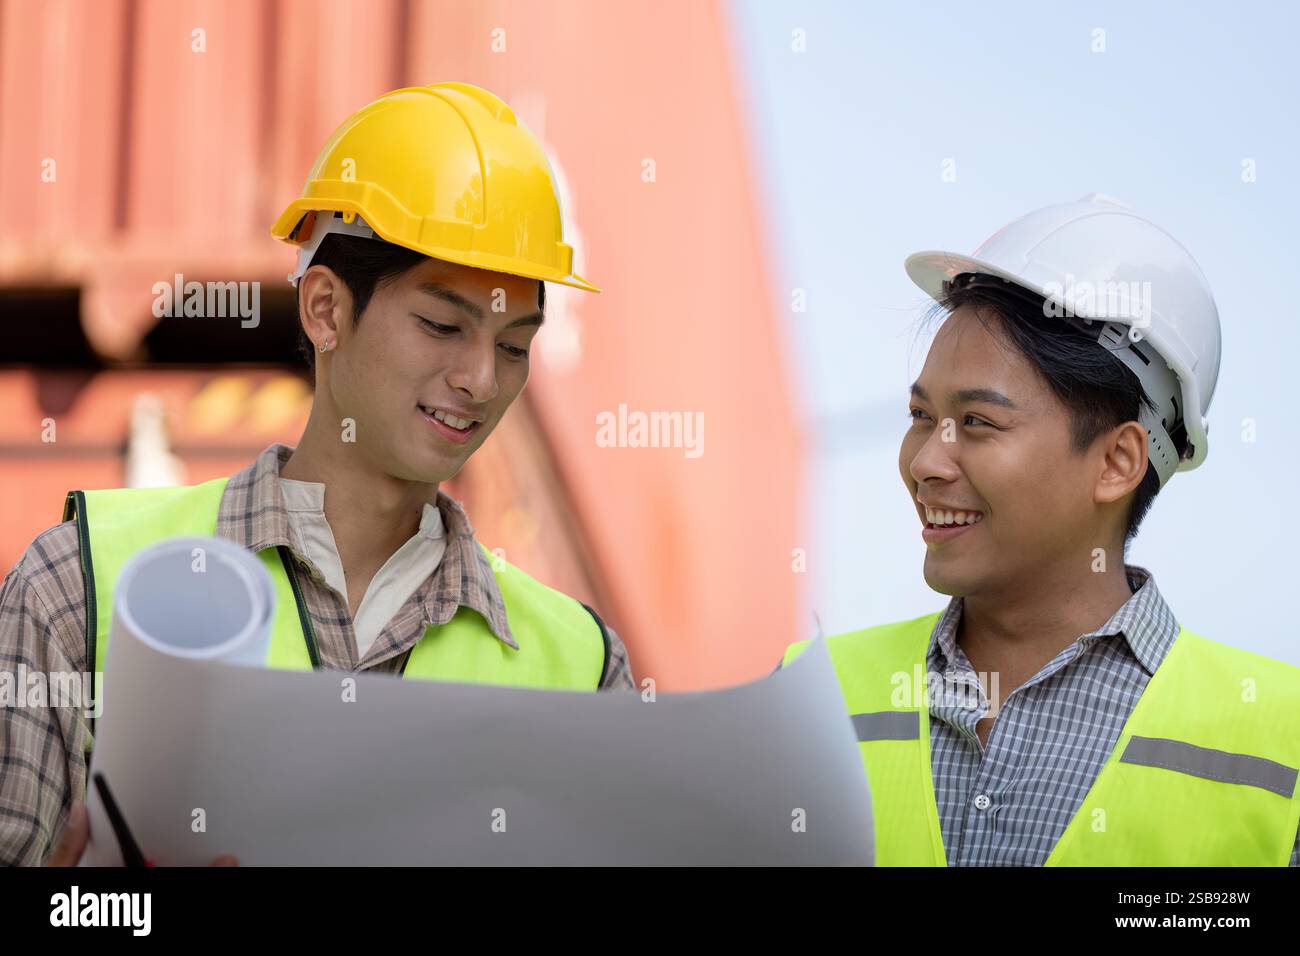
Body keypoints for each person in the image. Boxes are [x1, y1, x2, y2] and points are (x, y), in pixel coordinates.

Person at [0, 82, 632, 867]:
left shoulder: (584, 668)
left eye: (513, 345)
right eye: (443, 325)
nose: (481, 379)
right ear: (327, 310)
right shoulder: (78, 586)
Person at [784, 194, 1300, 865]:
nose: (926, 463)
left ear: (1116, 462)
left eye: (977, 423)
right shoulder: (805, 696)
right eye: (921, 416)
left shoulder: (1280, 742)